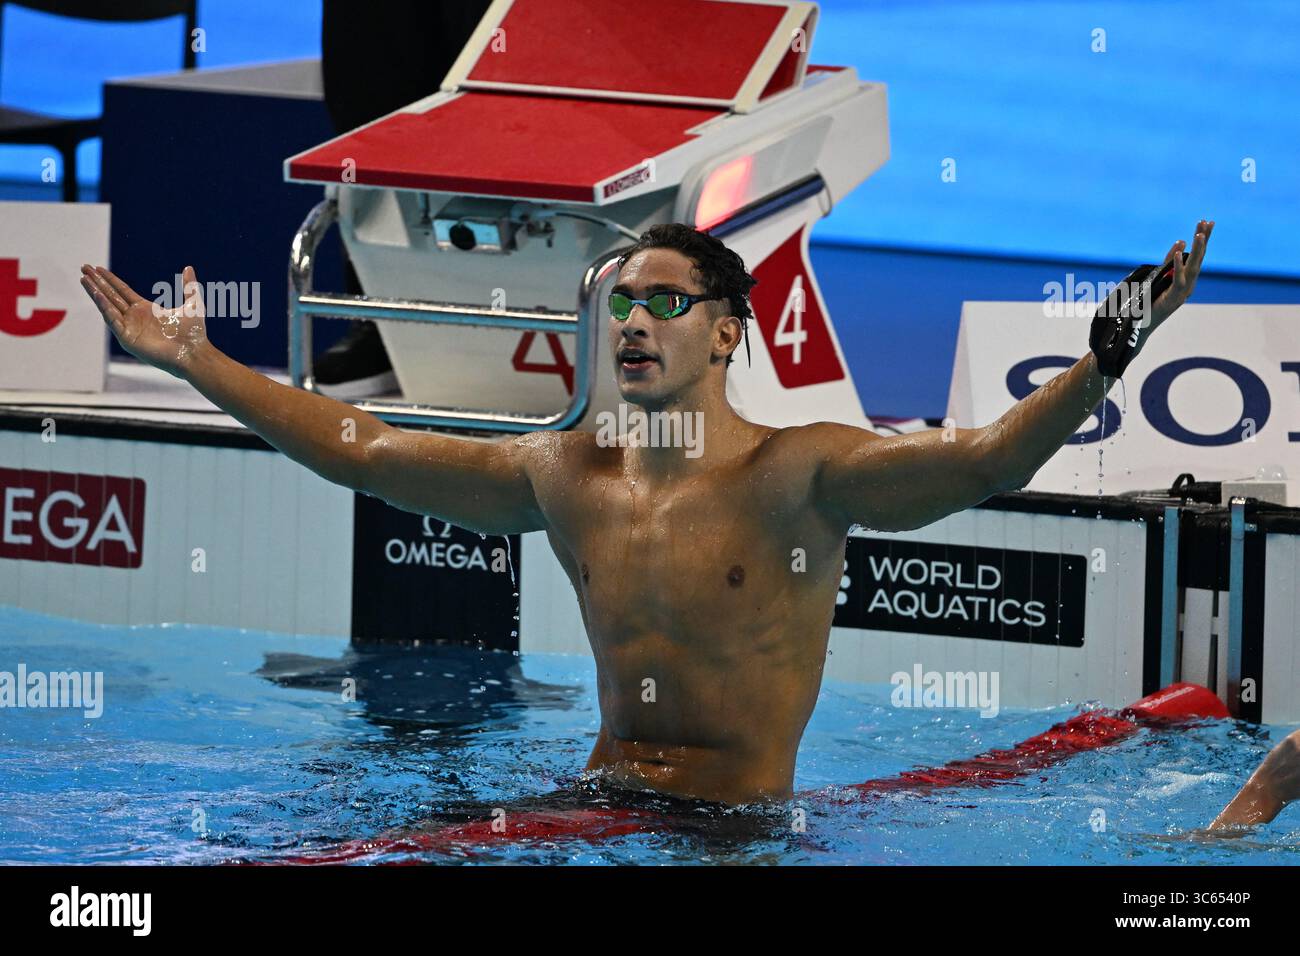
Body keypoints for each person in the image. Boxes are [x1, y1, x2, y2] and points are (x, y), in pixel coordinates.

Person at [80, 219, 1223, 808]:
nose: (632, 321)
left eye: (664, 301)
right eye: (620, 301)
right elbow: (367, 448)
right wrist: (197, 362)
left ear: (726, 330)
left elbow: (983, 463)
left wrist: (1104, 357)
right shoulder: (564, 472)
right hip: (592, 798)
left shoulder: (804, 474)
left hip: (732, 837)